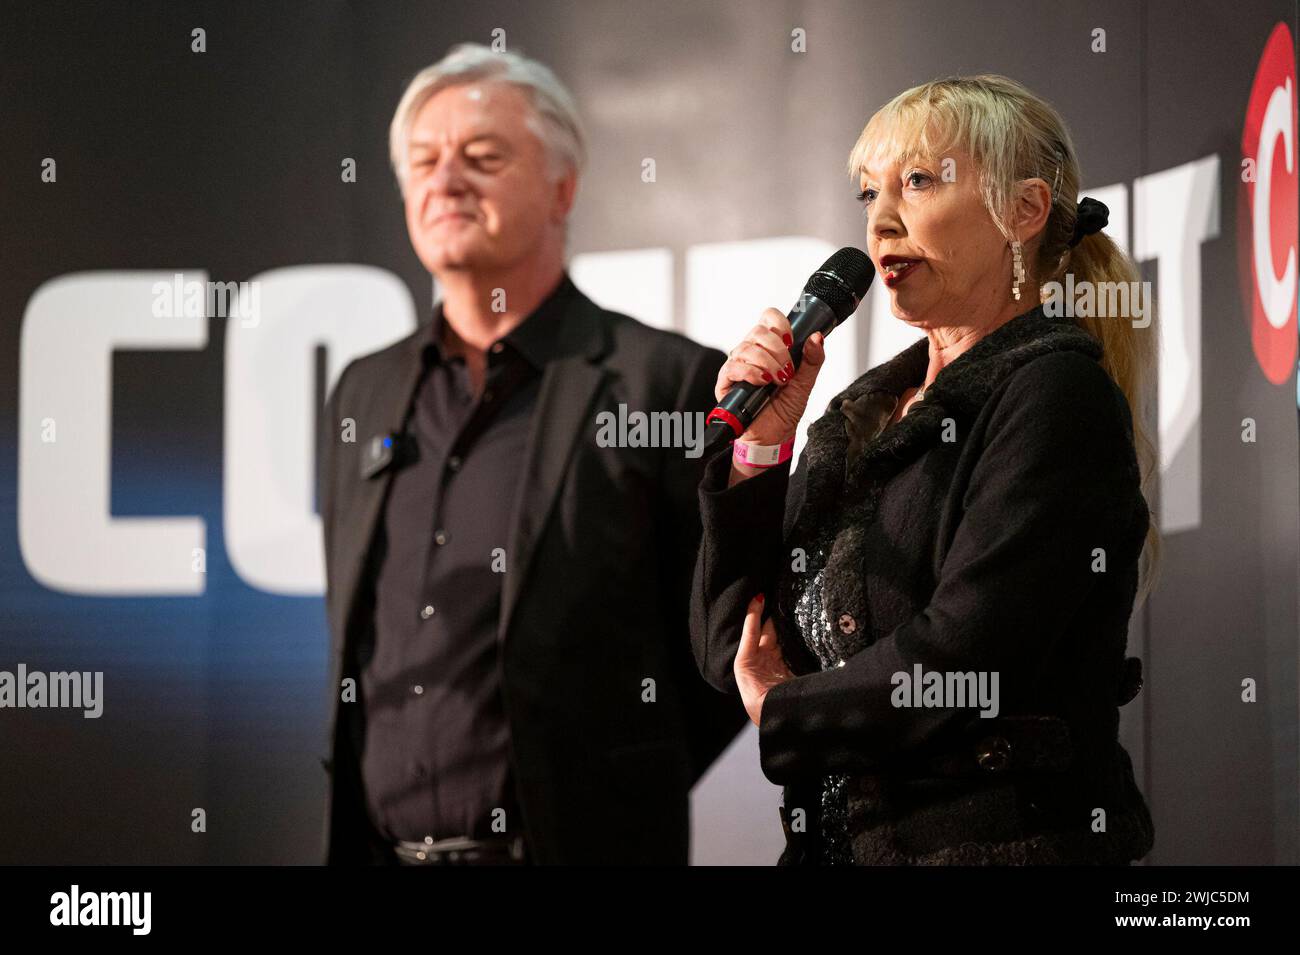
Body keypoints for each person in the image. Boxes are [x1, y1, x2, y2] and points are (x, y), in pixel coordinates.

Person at [690, 74, 1160, 865]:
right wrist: (762, 449)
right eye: (869, 193)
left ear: (1024, 210)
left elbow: (965, 658)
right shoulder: (859, 414)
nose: (881, 220)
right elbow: (731, 643)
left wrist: (788, 711)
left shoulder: (1055, 395)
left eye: (917, 182)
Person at [318, 43, 746, 865]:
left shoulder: (663, 381)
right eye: (423, 161)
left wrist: (611, 788)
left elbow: (718, 649)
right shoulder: (362, 393)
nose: (445, 180)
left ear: (563, 188)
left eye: (481, 157)